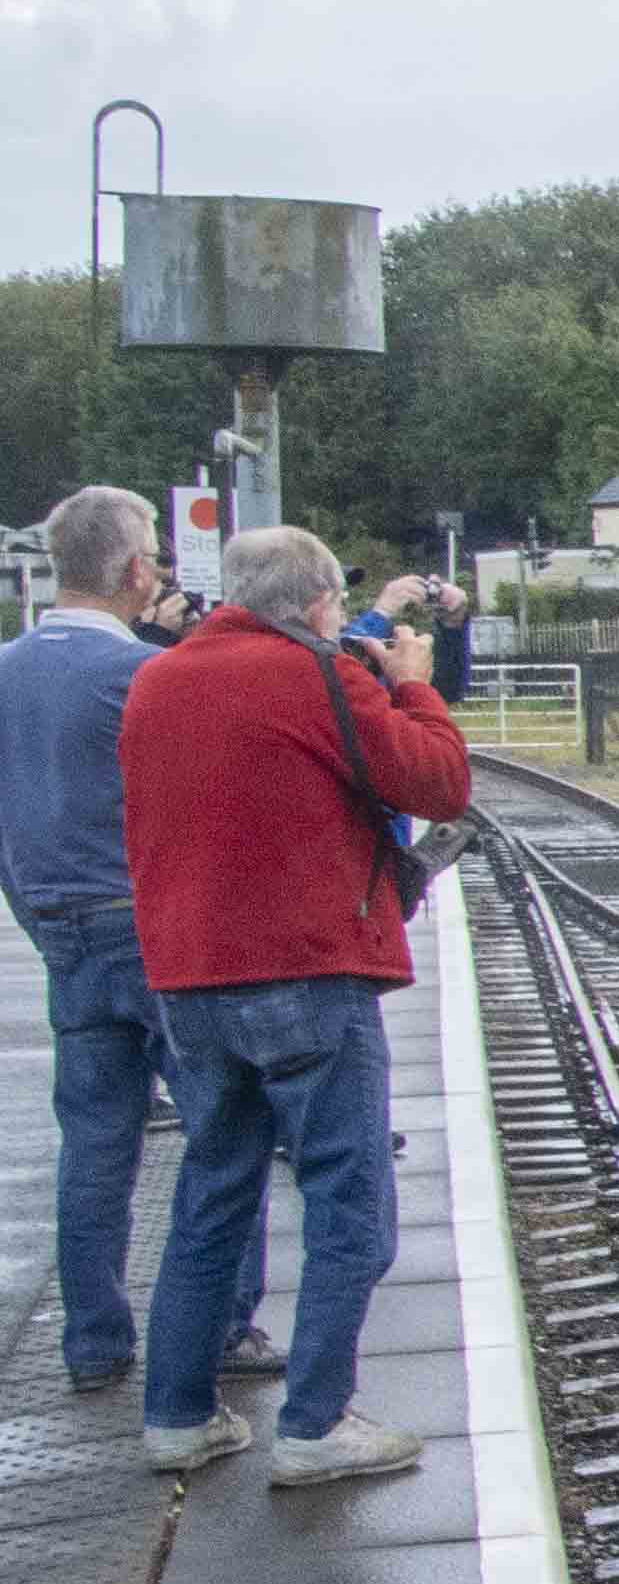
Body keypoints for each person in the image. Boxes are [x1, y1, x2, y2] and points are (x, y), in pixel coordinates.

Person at [123, 528, 469, 1479]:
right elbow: (438, 781)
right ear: (320, 603)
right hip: (306, 972)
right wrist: (412, 682)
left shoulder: (156, 680)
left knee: (214, 1191)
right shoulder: (318, 680)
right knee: (349, 1200)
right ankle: (317, 1422)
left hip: (190, 978)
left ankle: (178, 1417)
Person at [0, 489, 270, 1395]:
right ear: (133, 572)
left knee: (96, 1147)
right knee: (222, 1127)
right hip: (152, 930)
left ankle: (94, 1344)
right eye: (152, 550)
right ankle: (225, 1327)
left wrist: (38, 918)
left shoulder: (4, 672)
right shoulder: (142, 677)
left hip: (63, 933)